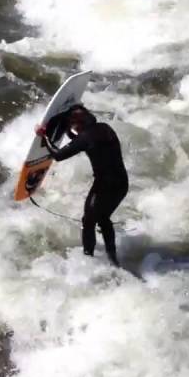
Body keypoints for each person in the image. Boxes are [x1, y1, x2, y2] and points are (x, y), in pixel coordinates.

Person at [34, 105, 128, 266]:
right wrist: (68, 132)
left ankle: (88, 257)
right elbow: (84, 141)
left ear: (80, 124)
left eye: (74, 125)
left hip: (104, 187)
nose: (73, 128)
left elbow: (57, 155)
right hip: (121, 184)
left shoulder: (85, 137)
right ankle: (113, 259)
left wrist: (44, 136)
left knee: (89, 221)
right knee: (104, 218)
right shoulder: (105, 128)